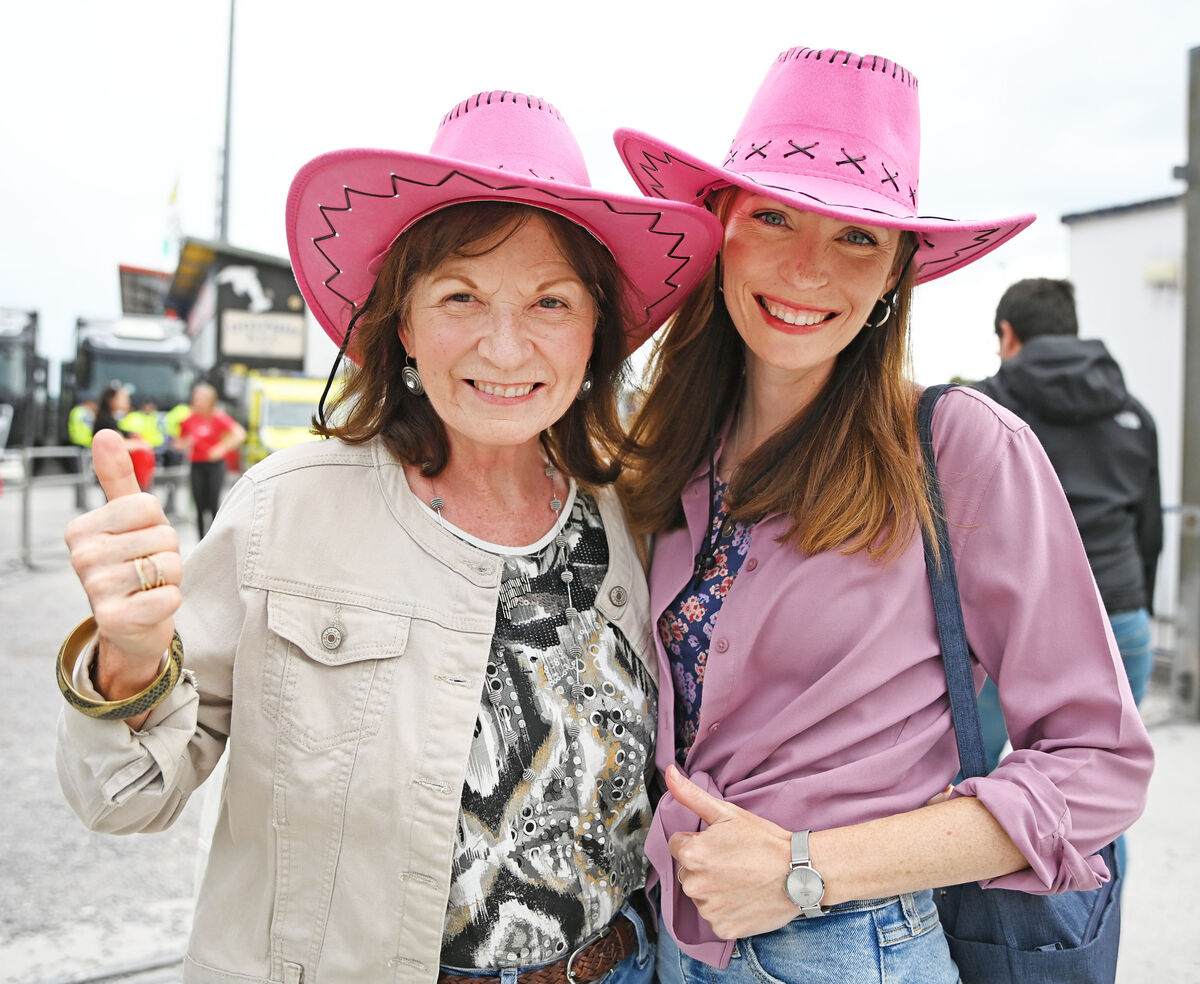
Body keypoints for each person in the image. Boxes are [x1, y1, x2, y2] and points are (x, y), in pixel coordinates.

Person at [55, 90, 721, 983]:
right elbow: (125, 798)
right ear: (403, 322)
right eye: (461, 295)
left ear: (595, 330)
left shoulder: (631, 517)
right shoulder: (285, 511)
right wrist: (129, 658)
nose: (507, 345)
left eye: (551, 302)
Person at [614, 46, 1154, 982]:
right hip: (674, 942)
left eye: (857, 236)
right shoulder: (662, 457)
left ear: (896, 272)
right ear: (721, 230)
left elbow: (1099, 763)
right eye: (775, 217)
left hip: (852, 947)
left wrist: (807, 869)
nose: (807, 268)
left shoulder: (957, 447)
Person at [972, 277, 1162, 768]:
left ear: (1008, 335)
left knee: (960, 780)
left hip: (1007, 628)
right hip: (1119, 615)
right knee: (1098, 794)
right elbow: (1149, 529)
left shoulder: (979, 410)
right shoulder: (1133, 412)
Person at [175, 382, 246, 538]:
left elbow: (240, 434)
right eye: (196, 398)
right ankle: (200, 541)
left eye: (202, 398)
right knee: (199, 505)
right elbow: (178, 443)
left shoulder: (218, 417)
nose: (198, 401)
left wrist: (221, 448)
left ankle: (213, 539)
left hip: (215, 465)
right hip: (197, 465)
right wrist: (186, 443)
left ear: (210, 400)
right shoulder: (189, 420)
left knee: (214, 503)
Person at [93, 382, 156, 492]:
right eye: (122, 397)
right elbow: (121, 444)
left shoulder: (111, 419)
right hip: (113, 474)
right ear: (111, 399)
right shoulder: (106, 421)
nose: (127, 401)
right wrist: (142, 445)